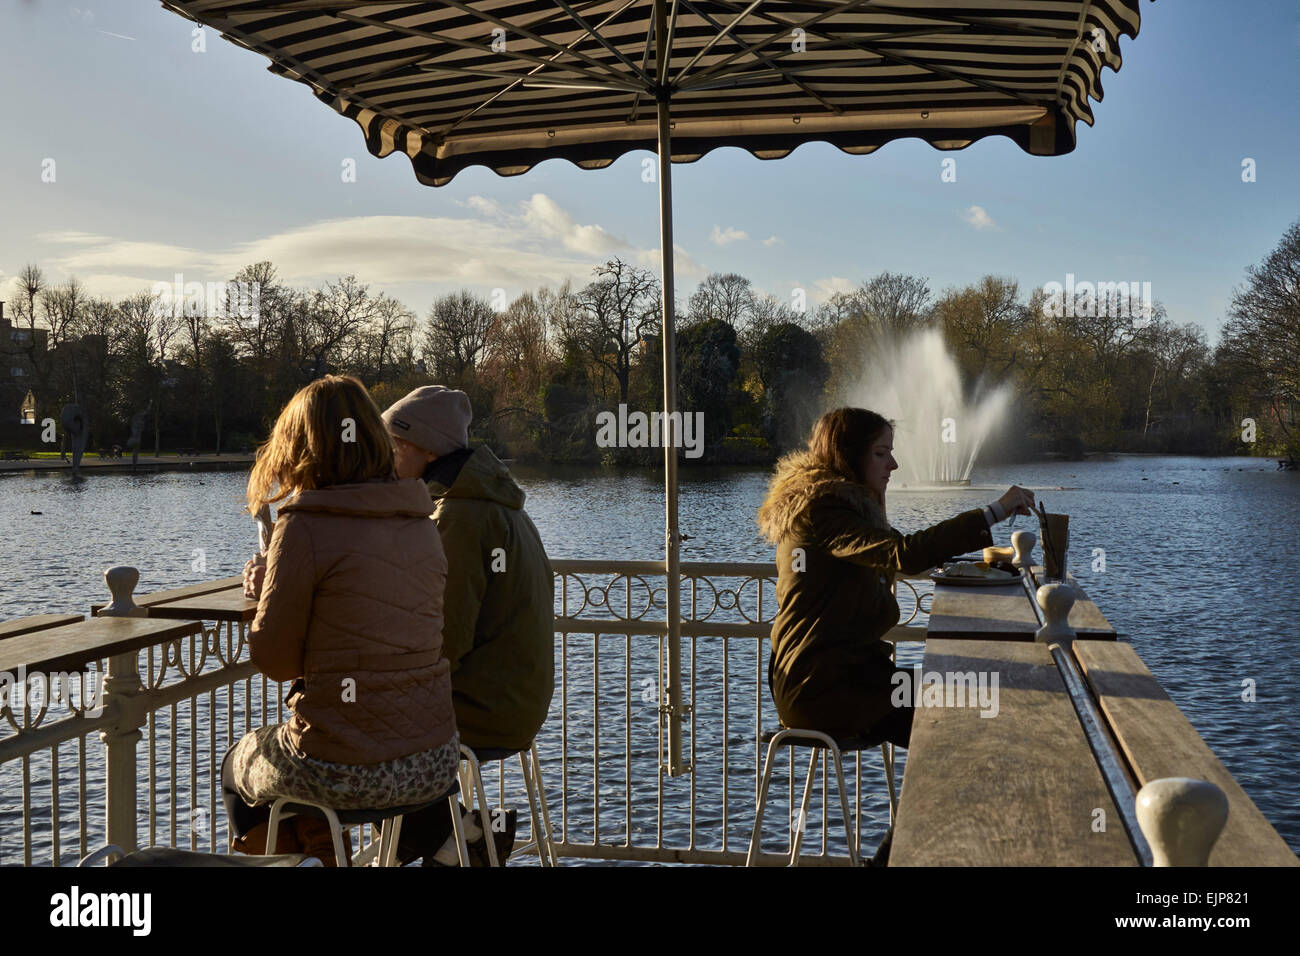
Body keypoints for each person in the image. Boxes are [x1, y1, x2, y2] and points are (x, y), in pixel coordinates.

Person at [223, 374, 459, 865]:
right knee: (305, 779)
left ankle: (320, 854)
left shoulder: (304, 523)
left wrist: (273, 587)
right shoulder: (421, 521)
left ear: (300, 445)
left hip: (346, 770)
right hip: (434, 763)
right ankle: (320, 848)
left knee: (238, 763)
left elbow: (276, 660)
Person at [756, 407, 1034, 749]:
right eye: (880, 453)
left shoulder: (836, 508)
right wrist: (994, 512)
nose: (894, 465)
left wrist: (976, 567)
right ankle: (957, 798)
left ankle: (959, 792)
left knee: (972, 701)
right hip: (825, 693)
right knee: (972, 710)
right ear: (848, 456)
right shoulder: (823, 512)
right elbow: (905, 554)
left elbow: (907, 557)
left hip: (841, 680)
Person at [381, 385, 555, 866]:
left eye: (394, 444)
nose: (386, 456)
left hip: (486, 709)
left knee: (365, 728)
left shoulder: (459, 516)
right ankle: (457, 834)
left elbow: (443, 641)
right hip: (516, 703)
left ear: (425, 449)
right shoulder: (493, 504)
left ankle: (449, 837)